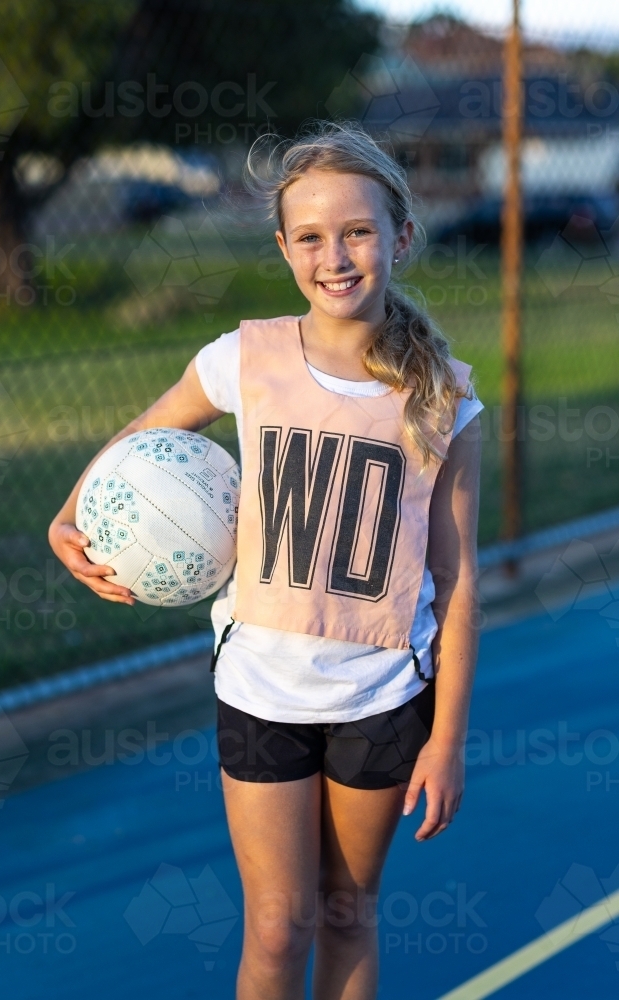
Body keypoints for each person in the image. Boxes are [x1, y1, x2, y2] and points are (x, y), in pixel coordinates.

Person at [49, 122, 483, 1000]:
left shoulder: (441, 394)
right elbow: (145, 436)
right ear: (284, 247)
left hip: (382, 695)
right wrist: (71, 508)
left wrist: (446, 741)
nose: (336, 256)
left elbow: (458, 580)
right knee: (278, 927)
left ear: (399, 236)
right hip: (261, 689)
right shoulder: (244, 358)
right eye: (312, 237)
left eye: (358, 231)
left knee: (346, 913)